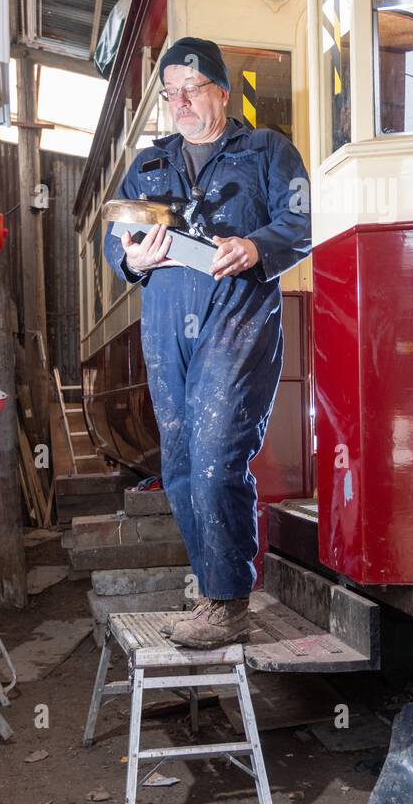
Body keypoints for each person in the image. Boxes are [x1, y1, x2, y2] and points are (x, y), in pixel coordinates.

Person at [103, 37, 311, 648]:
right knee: (181, 464)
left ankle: (227, 604)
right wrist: (132, 259)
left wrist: (256, 247)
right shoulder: (148, 163)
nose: (182, 103)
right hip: (166, 319)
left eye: (193, 89)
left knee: (220, 456)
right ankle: (210, 588)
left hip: (237, 315)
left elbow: (302, 221)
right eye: (171, 93)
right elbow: (116, 241)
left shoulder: (266, 150)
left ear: (222, 90)